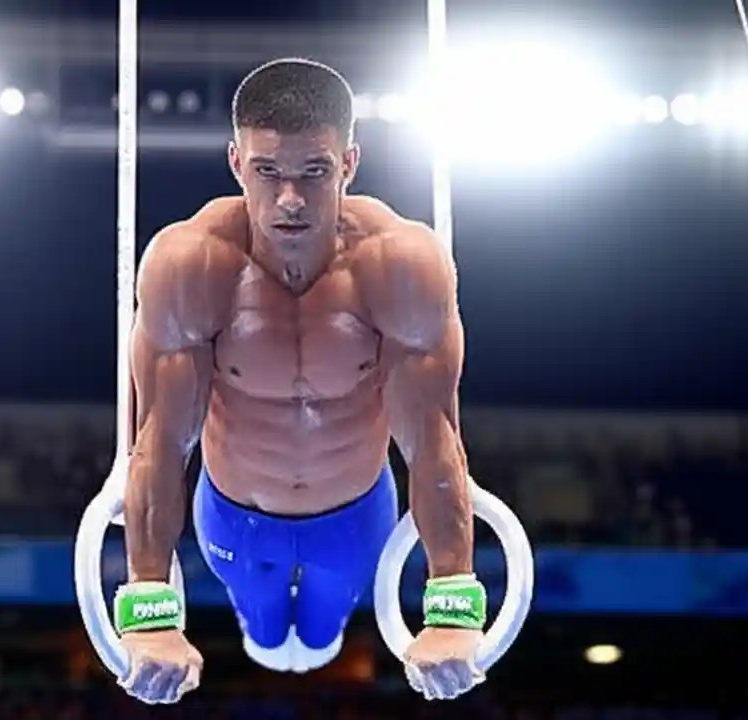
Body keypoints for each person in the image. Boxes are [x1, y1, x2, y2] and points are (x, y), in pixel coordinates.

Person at [113, 58, 485, 705]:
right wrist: (150, 607)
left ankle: (314, 641)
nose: (289, 199)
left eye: (313, 172)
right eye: (267, 172)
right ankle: (266, 638)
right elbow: (159, 443)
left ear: (348, 163)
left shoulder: (400, 266)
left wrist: (452, 606)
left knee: (320, 636)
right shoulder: (190, 267)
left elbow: (432, 441)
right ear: (236, 164)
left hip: (358, 516)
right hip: (235, 518)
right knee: (263, 629)